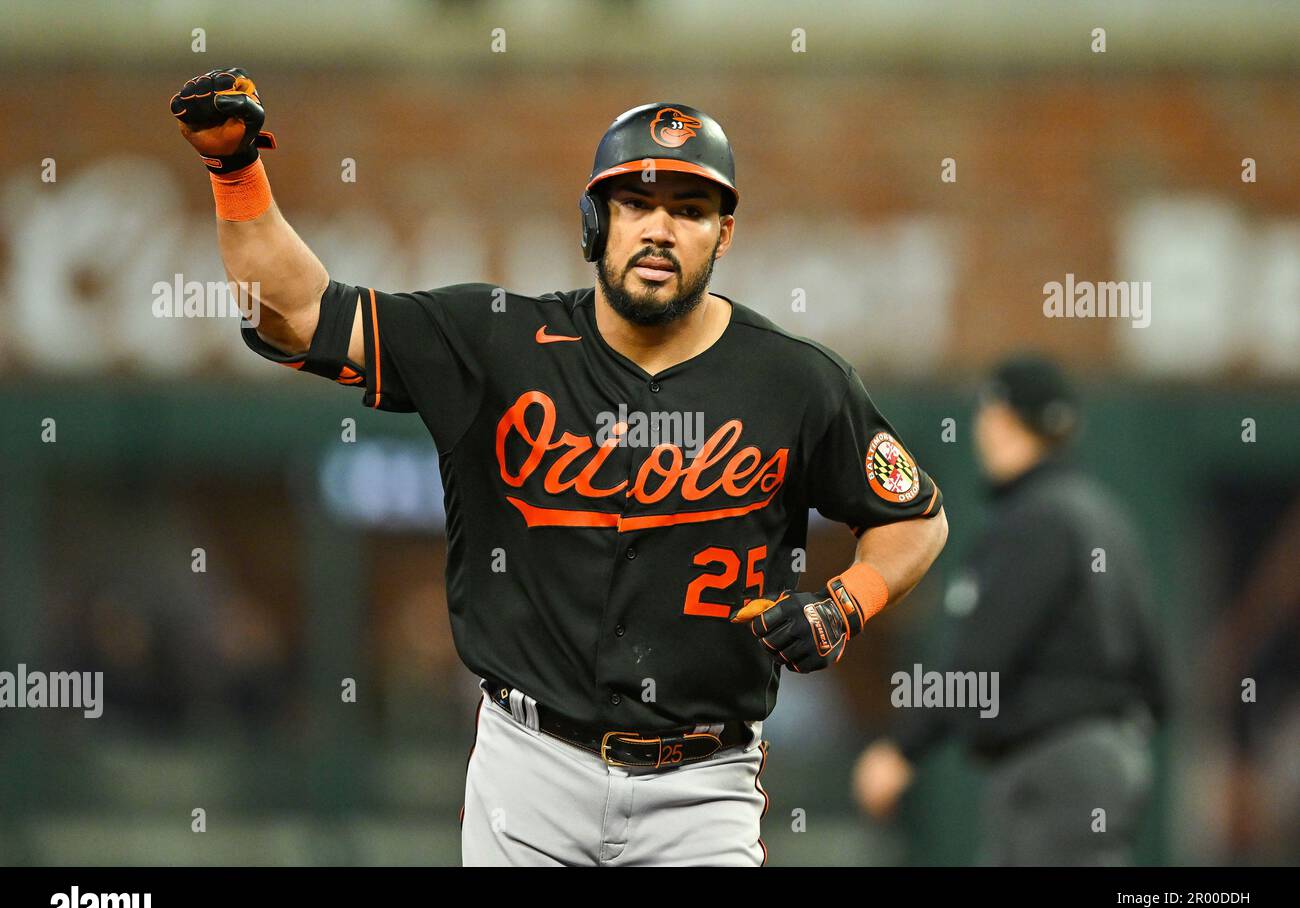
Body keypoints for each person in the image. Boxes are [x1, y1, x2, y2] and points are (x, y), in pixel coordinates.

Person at [171, 69, 948, 866]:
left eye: (689, 210)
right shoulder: (497, 343)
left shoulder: (794, 381)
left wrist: (847, 602)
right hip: (531, 765)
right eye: (637, 203)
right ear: (594, 220)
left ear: (723, 235)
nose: (660, 229)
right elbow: (297, 316)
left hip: (703, 783)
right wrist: (237, 174)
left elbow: (915, 516)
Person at [853, 355, 1169, 865]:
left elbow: (981, 656)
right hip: (1111, 759)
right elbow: (1155, 672)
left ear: (1000, 418)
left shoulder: (1034, 519)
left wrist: (903, 749)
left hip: (1053, 763)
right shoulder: (1104, 517)